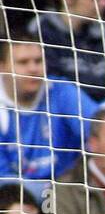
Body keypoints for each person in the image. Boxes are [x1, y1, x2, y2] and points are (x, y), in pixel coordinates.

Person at [0, 36, 99, 196]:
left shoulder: (61, 91)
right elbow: (3, 180)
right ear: (2, 67)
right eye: (23, 62)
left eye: (38, 61)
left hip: (69, 194)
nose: (33, 69)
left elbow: (100, 128)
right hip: (16, 200)